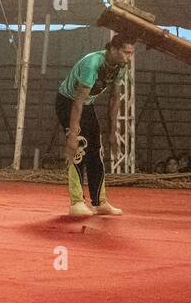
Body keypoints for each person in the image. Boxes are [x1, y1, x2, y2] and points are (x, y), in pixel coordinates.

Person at [57, 35, 134, 217]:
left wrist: (113, 131)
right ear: (113, 49)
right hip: (68, 102)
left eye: (131, 53)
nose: (128, 57)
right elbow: (77, 100)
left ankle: (100, 202)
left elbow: (115, 99)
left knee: (96, 150)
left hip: (87, 104)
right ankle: (76, 202)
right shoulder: (93, 64)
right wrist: (73, 134)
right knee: (79, 147)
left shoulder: (120, 67)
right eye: (125, 52)